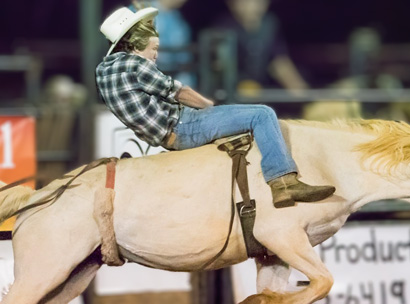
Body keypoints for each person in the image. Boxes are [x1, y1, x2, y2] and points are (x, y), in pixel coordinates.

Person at [96, 7, 334, 208]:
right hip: (184, 125)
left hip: (165, 134)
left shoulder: (104, 72)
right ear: (136, 47)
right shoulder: (137, 65)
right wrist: (208, 105)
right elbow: (178, 91)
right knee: (263, 114)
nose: (156, 55)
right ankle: (283, 182)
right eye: (153, 49)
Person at [217, 0, 309, 94]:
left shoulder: (270, 24)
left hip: (261, 92)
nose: (253, 6)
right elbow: (219, 67)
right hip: (231, 94)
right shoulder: (223, 28)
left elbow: (279, 62)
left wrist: (300, 90)